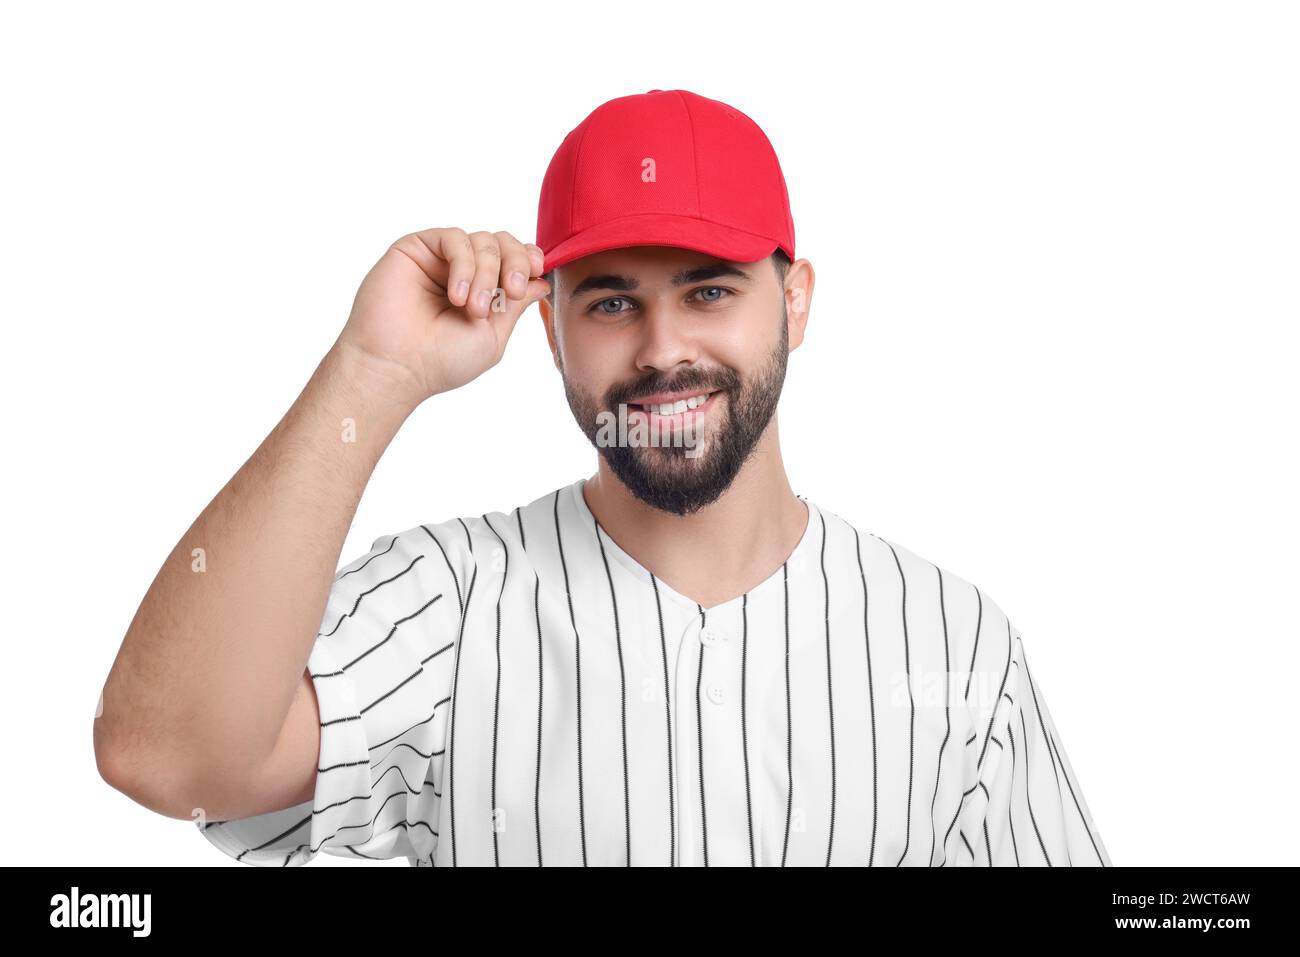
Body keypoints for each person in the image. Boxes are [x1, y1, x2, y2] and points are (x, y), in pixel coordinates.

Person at [95, 89, 1110, 866]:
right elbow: (163, 755)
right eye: (612, 303)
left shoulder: (948, 636)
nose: (663, 349)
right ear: (548, 326)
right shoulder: (449, 604)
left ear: (794, 302)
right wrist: (374, 372)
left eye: (708, 290)